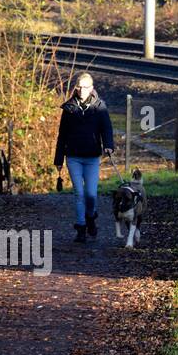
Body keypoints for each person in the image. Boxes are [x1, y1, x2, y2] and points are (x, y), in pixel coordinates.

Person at [53, 72, 115, 243]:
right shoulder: (69, 108)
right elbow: (62, 135)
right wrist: (58, 159)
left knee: (91, 194)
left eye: (85, 87)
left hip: (92, 157)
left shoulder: (100, 107)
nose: (81, 90)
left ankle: (90, 217)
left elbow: (107, 129)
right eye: (79, 87)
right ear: (76, 88)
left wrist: (108, 145)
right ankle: (81, 228)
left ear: (91, 88)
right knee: (79, 193)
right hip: (73, 157)